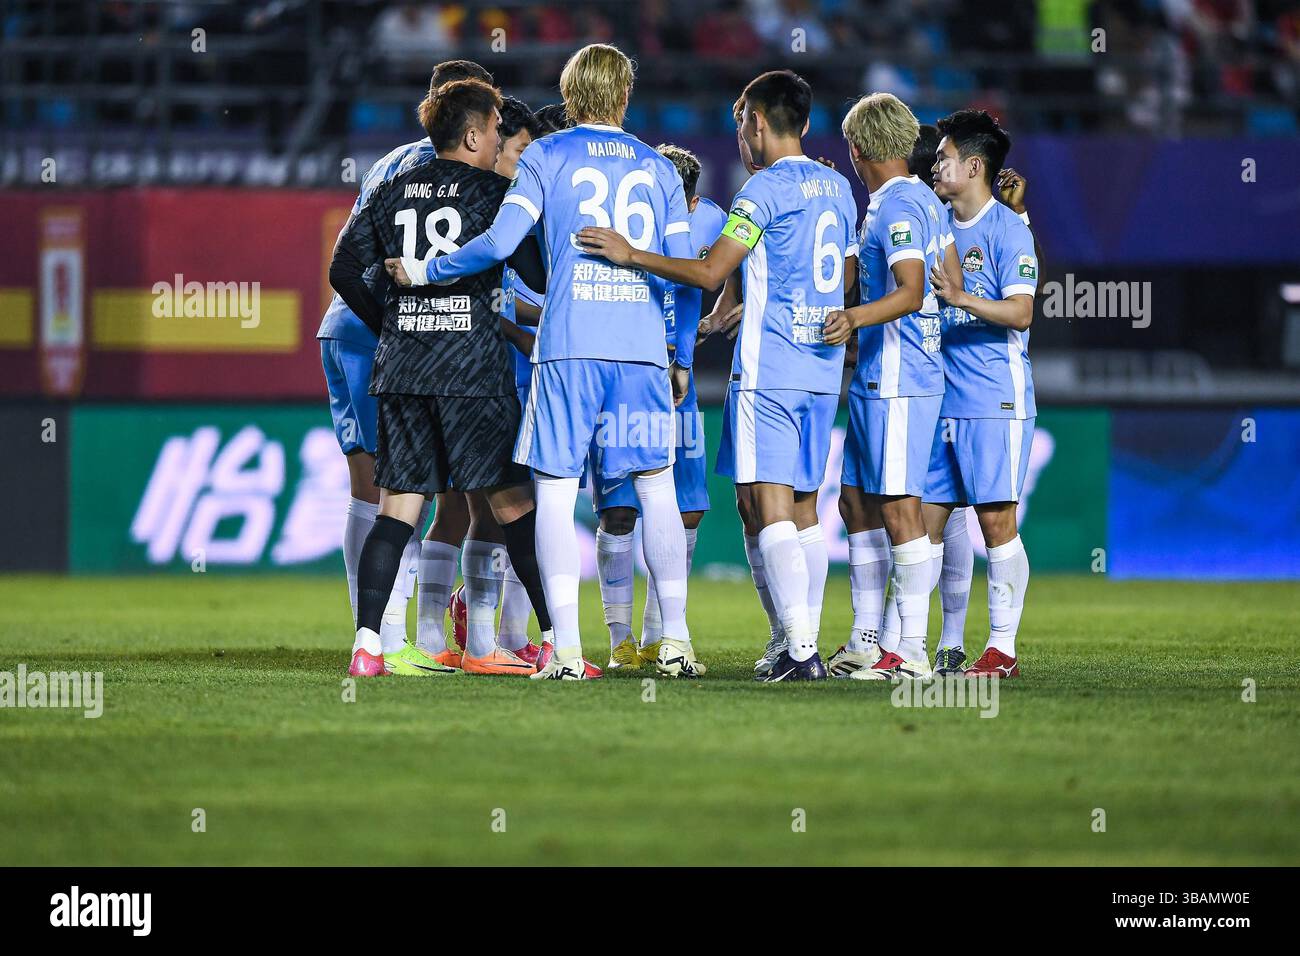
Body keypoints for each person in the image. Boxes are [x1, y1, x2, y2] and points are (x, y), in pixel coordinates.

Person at [388, 45, 702, 680]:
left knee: (554, 494)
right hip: (640, 349)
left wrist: (427, 267)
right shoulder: (658, 167)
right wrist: (673, 349)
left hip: (568, 347)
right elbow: (681, 272)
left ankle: (565, 649)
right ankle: (677, 641)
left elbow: (499, 243)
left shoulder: (545, 156)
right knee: (656, 486)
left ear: (571, 89)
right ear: (623, 95)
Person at [579, 70, 859, 682]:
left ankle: (802, 649)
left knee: (771, 505)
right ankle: (795, 640)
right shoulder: (838, 187)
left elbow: (708, 273)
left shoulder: (759, 193)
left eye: (740, 123)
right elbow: (846, 280)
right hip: (821, 370)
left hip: (772, 372)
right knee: (805, 509)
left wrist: (631, 255)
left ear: (757, 122)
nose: (739, 136)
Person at [328, 79, 554, 678]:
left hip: (403, 370)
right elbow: (535, 271)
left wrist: (393, 323)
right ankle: (557, 641)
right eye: (498, 130)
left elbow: (343, 267)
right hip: (472, 374)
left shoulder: (395, 189)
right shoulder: (495, 191)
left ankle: (368, 648)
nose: (502, 140)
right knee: (515, 507)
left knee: (396, 511)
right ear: (475, 133)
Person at [318, 59, 493, 676]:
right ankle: (387, 641)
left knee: (373, 491)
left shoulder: (387, 162)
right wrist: (393, 322)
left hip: (343, 326)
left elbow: (345, 254)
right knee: (391, 495)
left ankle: (382, 637)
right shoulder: (445, 174)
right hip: (383, 333)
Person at [820, 92, 947, 681]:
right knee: (856, 504)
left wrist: (853, 319)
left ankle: (912, 650)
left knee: (899, 508)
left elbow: (912, 290)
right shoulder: (911, 200)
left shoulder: (898, 208)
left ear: (858, 148)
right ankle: (868, 640)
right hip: (878, 376)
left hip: (900, 377)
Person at [592, 144, 726, 670]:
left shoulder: (711, 217)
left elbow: (735, 261)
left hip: (679, 379)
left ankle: (658, 635)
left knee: (686, 506)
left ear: (690, 201)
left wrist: (725, 307)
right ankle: (621, 640)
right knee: (620, 509)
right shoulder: (623, 221)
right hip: (624, 374)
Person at [924, 109, 1039, 678]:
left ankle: (1002, 648)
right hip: (937, 397)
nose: (935, 164)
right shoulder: (934, 223)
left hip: (995, 395)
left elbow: (1021, 312)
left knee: (995, 521)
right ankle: (930, 644)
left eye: (944, 156)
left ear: (974, 166)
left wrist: (962, 299)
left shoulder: (1008, 229)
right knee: (928, 522)